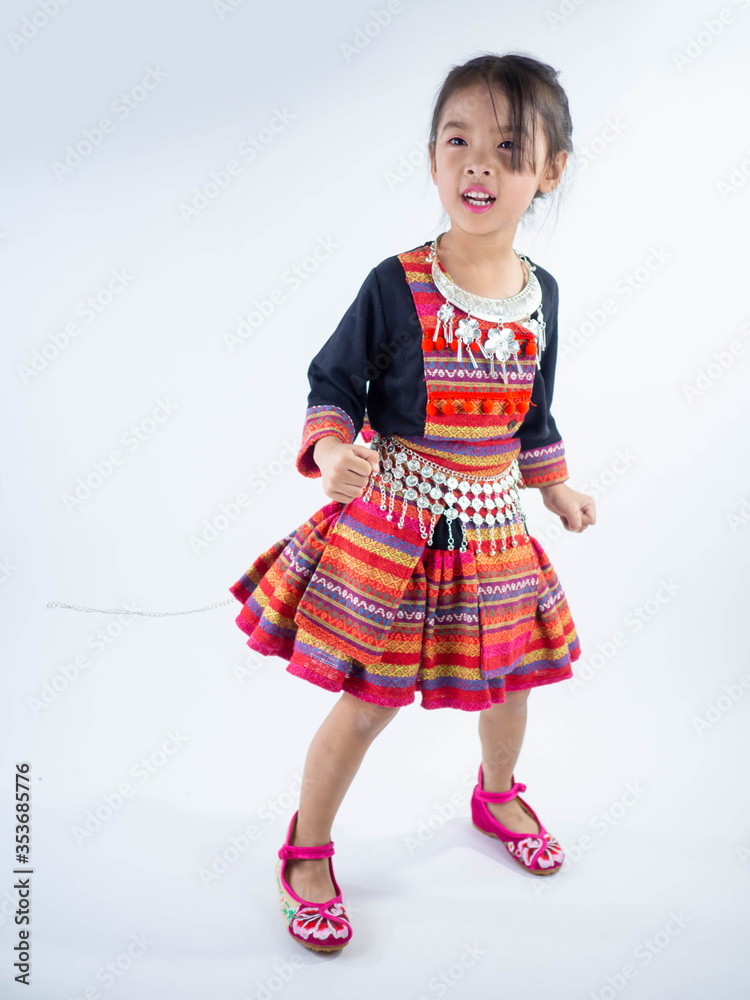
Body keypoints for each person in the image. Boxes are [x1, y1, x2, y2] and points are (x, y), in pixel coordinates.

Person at [229, 51, 596, 952]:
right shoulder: (395, 285)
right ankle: (305, 849)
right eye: (458, 140)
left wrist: (554, 486)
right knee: (365, 700)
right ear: (432, 155)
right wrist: (329, 445)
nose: (478, 164)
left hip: (491, 524)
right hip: (394, 527)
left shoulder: (541, 295)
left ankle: (497, 795)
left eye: (508, 147)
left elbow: (532, 411)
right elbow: (333, 379)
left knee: (511, 678)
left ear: (549, 172)